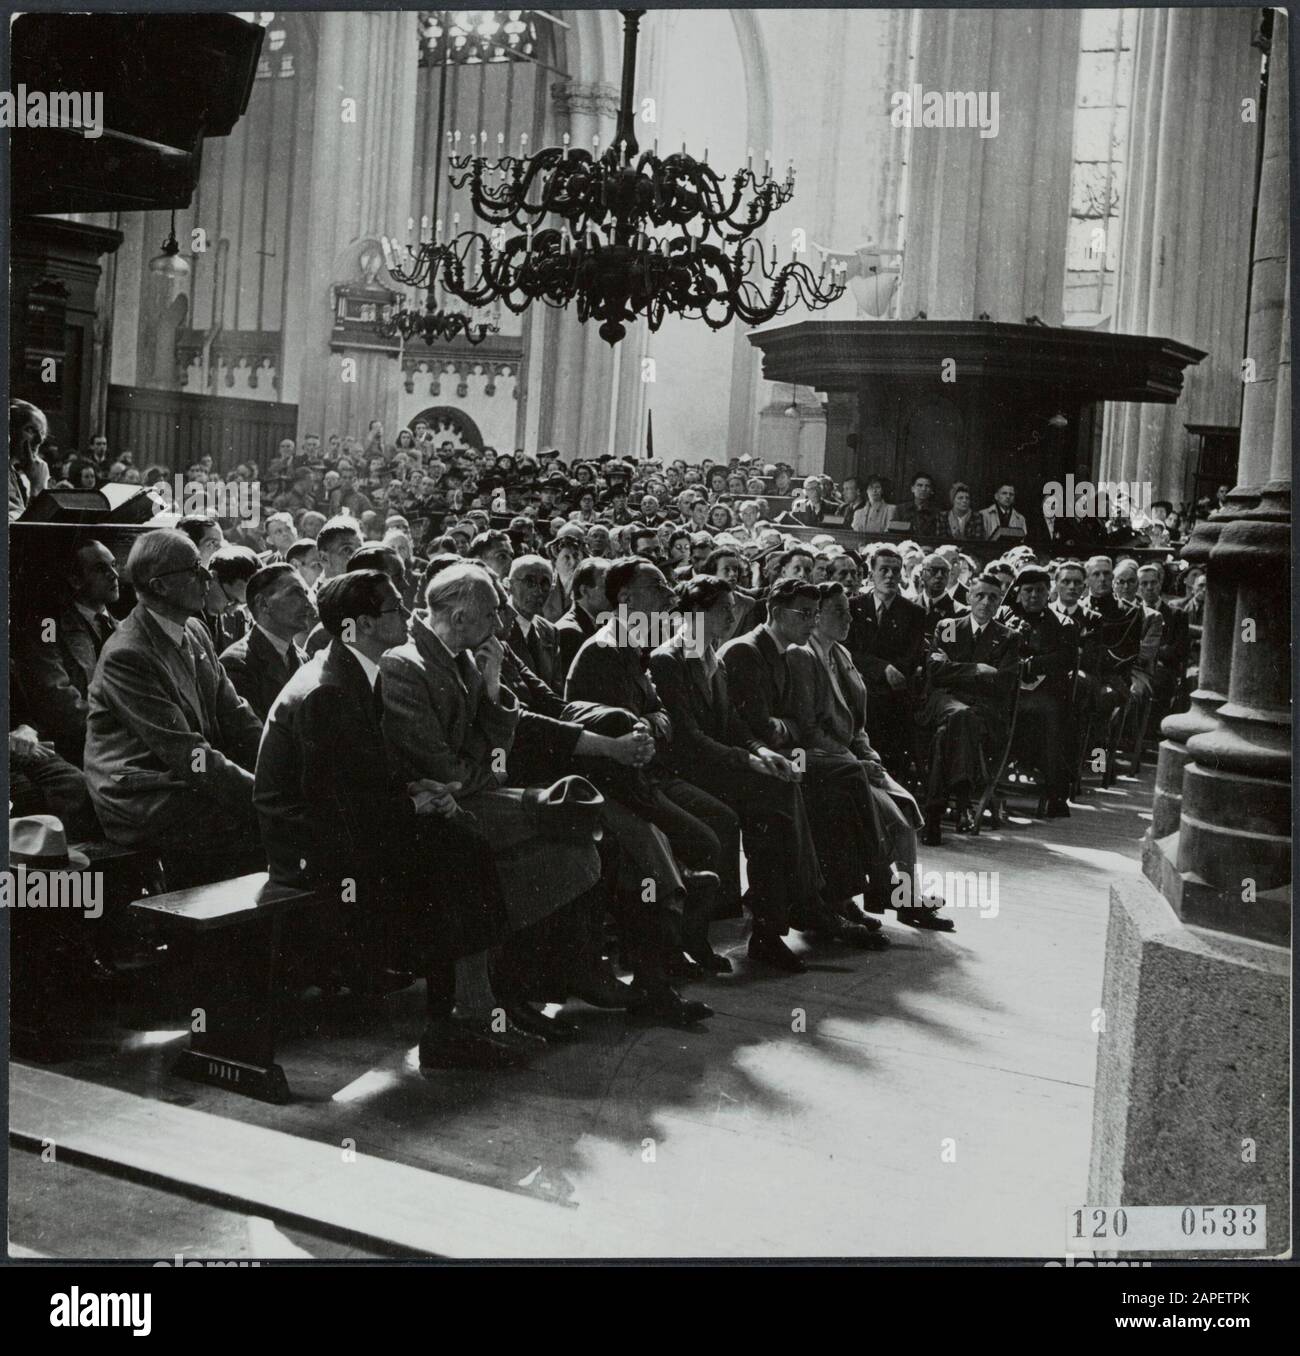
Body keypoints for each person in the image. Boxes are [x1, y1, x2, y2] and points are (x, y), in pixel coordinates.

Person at [255, 570, 530, 1068]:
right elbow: (335, 807)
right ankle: (454, 1023)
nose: (407, 615)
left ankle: (464, 1016)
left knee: (459, 841)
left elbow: (360, 779)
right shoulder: (328, 690)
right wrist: (414, 805)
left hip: (339, 825)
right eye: (395, 609)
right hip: (309, 847)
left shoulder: (354, 669)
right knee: (456, 856)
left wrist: (417, 790)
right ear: (361, 624)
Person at [379, 563, 618, 1032]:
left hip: (472, 795)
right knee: (565, 848)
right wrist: (491, 770)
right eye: (491, 612)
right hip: (438, 810)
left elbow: (490, 751)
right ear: (460, 617)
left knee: (578, 846)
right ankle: (503, 989)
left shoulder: (465, 657)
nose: (500, 621)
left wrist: (492, 689)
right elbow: (445, 771)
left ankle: (518, 984)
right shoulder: (406, 665)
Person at [650, 576, 825, 972]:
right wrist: (747, 760)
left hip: (714, 767)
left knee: (779, 791)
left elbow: (732, 723)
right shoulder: (668, 659)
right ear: (697, 613)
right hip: (684, 771)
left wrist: (762, 751)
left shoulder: (713, 656)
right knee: (769, 798)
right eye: (723, 610)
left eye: (733, 609)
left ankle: (771, 929)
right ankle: (790, 910)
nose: (732, 617)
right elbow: (688, 739)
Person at [83, 529, 264, 883]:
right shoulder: (128, 654)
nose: (208, 576)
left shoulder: (194, 630)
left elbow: (237, 715)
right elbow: (188, 753)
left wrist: (279, 765)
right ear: (160, 586)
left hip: (185, 780)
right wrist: (264, 791)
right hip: (144, 796)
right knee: (268, 823)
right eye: (194, 568)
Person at [721, 579, 889, 951]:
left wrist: (786, 727)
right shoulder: (747, 650)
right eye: (805, 614)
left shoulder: (786, 651)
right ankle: (843, 894)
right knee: (841, 775)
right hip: (752, 759)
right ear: (776, 612)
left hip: (784, 753)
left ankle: (840, 897)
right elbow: (764, 727)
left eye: (816, 614)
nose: (813, 623)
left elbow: (791, 721)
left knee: (843, 778)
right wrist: (786, 728)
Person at [788, 582, 954, 930]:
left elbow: (857, 721)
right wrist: (854, 760)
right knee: (895, 821)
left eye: (849, 611)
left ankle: (905, 896)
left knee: (906, 812)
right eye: (839, 611)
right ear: (816, 617)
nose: (849, 619)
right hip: (825, 761)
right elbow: (807, 729)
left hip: (854, 757)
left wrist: (868, 754)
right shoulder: (802, 656)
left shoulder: (841, 654)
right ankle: (895, 895)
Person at [915, 573, 1020, 845]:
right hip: (945, 702)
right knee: (959, 715)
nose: (985, 602)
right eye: (979, 595)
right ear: (968, 597)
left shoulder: (1007, 637)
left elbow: (1002, 683)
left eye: (993, 597)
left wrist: (954, 669)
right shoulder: (949, 627)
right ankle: (962, 803)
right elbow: (935, 671)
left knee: (945, 734)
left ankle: (934, 815)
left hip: (982, 711)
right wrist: (978, 669)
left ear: (999, 602)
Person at [12, 539, 120, 765]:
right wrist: (120, 730)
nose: (114, 575)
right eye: (101, 569)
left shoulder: (126, 629)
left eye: (114, 565)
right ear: (75, 580)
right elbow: (56, 697)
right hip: (78, 748)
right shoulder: (49, 626)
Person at [1000, 565, 1078, 816]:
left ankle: (1055, 793)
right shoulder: (1003, 616)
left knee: (1054, 718)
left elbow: (1064, 658)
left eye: (1040, 590)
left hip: (1044, 693)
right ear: (1018, 592)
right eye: (1028, 590)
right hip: (1007, 691)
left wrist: (1031, 665)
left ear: (1048, 593)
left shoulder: (1063, 624)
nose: (1034, 595)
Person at [846, 544, 928, 779]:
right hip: (858, 681)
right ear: (871, 574)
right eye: (884, 570)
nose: (890, 576)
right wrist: (882, 668)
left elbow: (912, 655)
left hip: (895, 688)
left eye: (895, 570)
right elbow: (848, 649)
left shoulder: (914, 612)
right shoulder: (853, 607)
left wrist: (891, 671)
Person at [219, 564, 318, 720]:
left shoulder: (302, 657)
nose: (309, 604)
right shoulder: (236, 664)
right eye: (295, 593)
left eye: (306, 593)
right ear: (263, 604)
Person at [505, 555, 563, 691]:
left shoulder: (550, 631)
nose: (538, 591)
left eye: (545, 584)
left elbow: (556, 687)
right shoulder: (497, 626)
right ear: (509, 585)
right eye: (529, 582)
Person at [554, 557, 610, 679]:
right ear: (584, 591)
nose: (614, 593)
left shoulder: (601, 623)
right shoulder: (568, 632)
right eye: (607, 587)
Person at [9, 399, 51, 520]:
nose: (39, 440)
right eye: (30, 430)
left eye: (42, 433)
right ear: (10, 431)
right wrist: (38, 489)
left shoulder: (13, 473)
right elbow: (20, 530)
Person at [914, 552, 964, 638]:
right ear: (922, 574)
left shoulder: (959, 612)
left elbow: (950, 643)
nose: (939, 575)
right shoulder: (908, 606)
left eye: (944, 571)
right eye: (933, 570)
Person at [890, 473, 942, 537]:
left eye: (927, 486)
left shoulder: (936, 512)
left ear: (931, 490)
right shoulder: (901, 509)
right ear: (912, 489)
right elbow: (894, 533)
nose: (923, 489)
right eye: (919, 485)